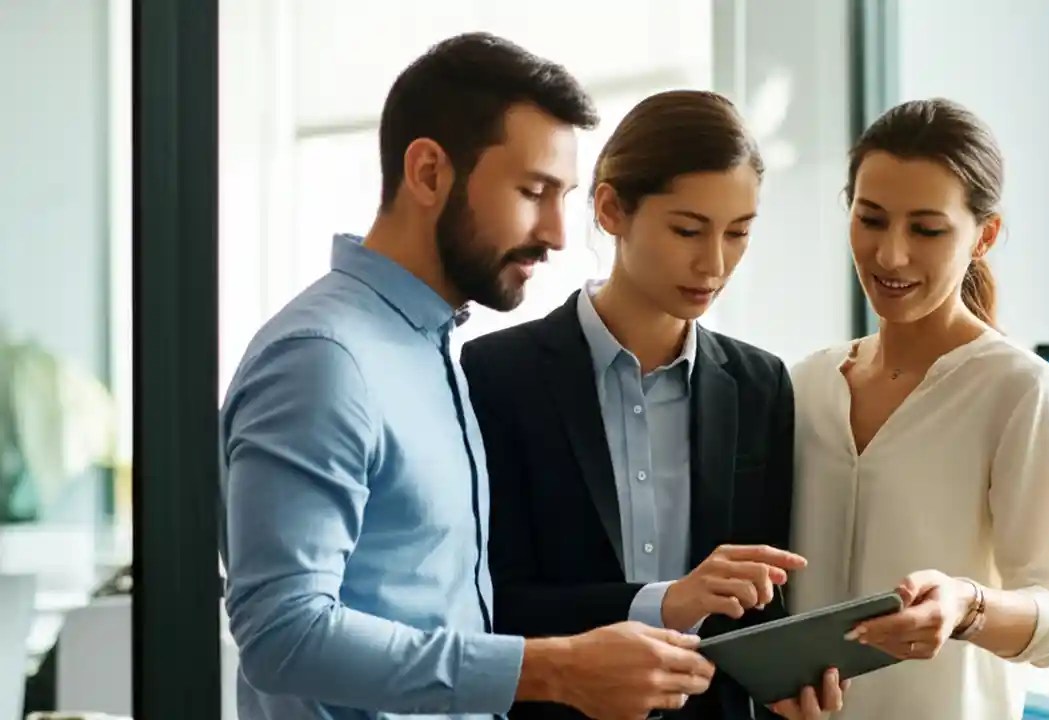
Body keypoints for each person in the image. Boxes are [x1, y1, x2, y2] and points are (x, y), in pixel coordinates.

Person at [218, 33, 717, 720]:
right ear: (427, 173)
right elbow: (283, 634)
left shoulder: (432, 348)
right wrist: (556, 669)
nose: (556, 233)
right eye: (532, 192)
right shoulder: (323, 359)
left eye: (562, 197)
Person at [461, 90, 845, 720]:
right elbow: (491, 603)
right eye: (688, 230)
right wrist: (665, 603)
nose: (714, 263)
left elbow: (763, 607)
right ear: (611, 209)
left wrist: (790, 687)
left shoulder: (760, 385)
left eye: (739, 233)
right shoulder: (497, 376)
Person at [787, 98, 1049, 720]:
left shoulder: (1018, 389)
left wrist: (966, 606)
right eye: (870, 219)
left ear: (985, 236)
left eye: (926, 229)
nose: (890, 256)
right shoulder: (807, 383)